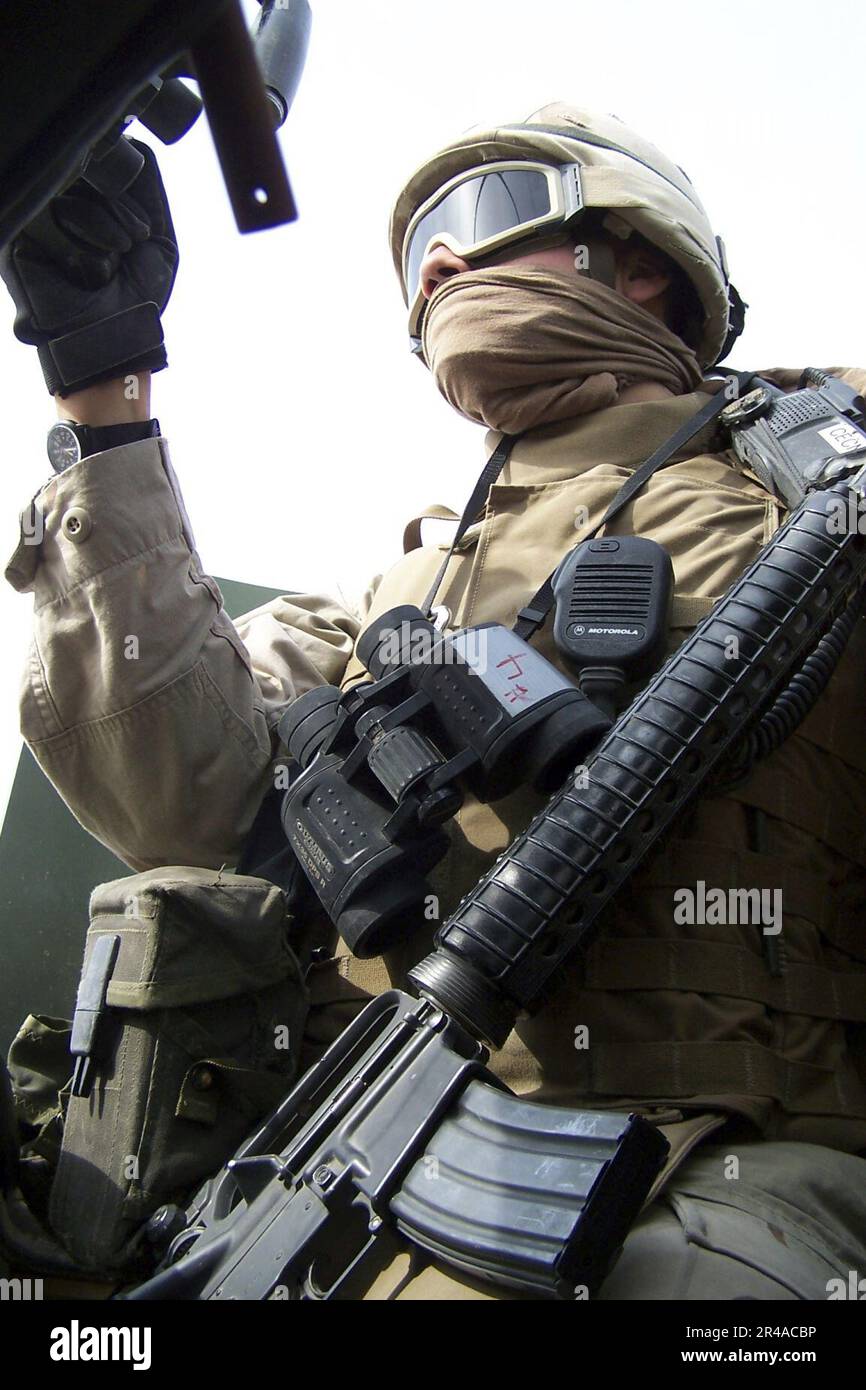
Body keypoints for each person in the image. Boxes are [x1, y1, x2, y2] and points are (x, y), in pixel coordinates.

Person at [3, 102, 866, 1301]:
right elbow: (177, 797)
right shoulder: (380, 597)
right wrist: (103, 397)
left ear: (642, 261)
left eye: (486, 215)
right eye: (416, 261)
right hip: (355, 1162)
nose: (441, 266)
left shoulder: (821, 471)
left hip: (717, 1178)